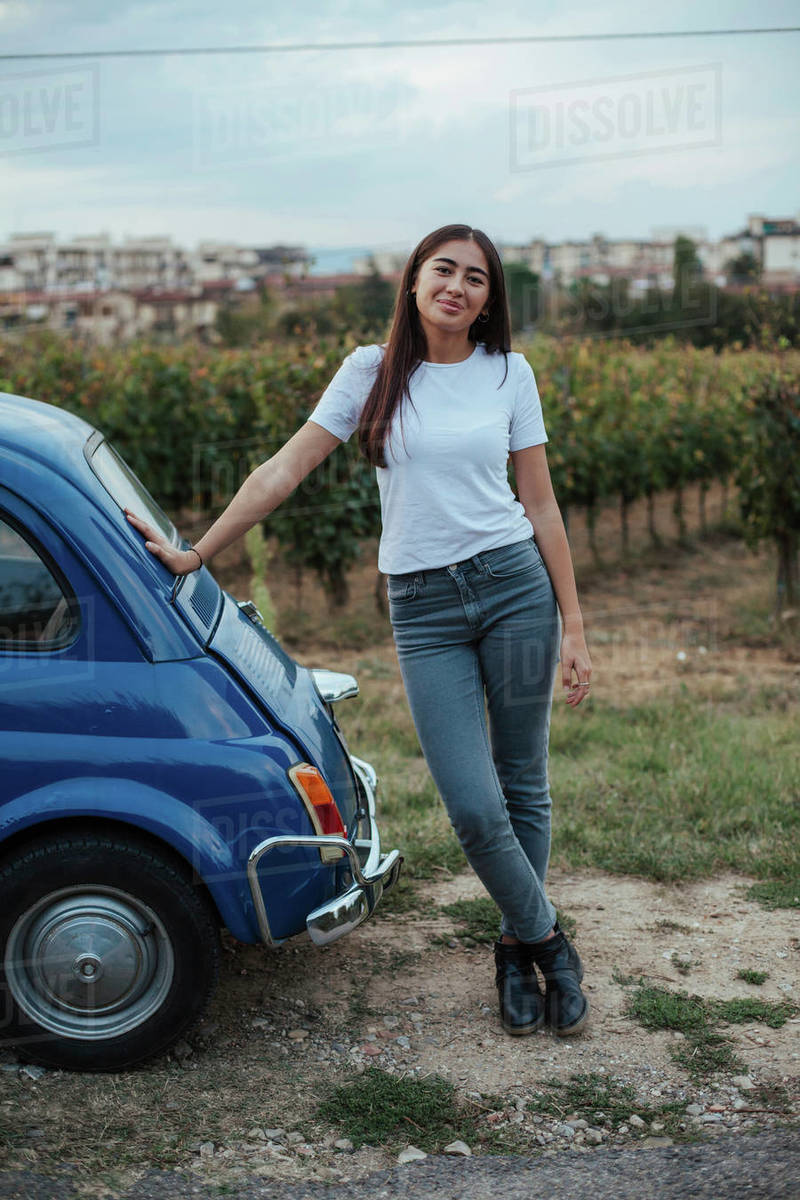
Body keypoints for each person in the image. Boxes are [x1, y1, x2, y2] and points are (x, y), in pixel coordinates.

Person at [126, 222, 592, 1038]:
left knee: (524, 781)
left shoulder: (510, 374)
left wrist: (577, 626)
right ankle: (548, 939)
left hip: (517, 588)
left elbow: (542, 503)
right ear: (414, 281)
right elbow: (283, 468)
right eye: (443, 270)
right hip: (423, 608)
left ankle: (516, 949)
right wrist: (196, 552)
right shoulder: (371, 373)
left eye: (476, 279)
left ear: (489, 303)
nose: (457, 286)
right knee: (476, 807)